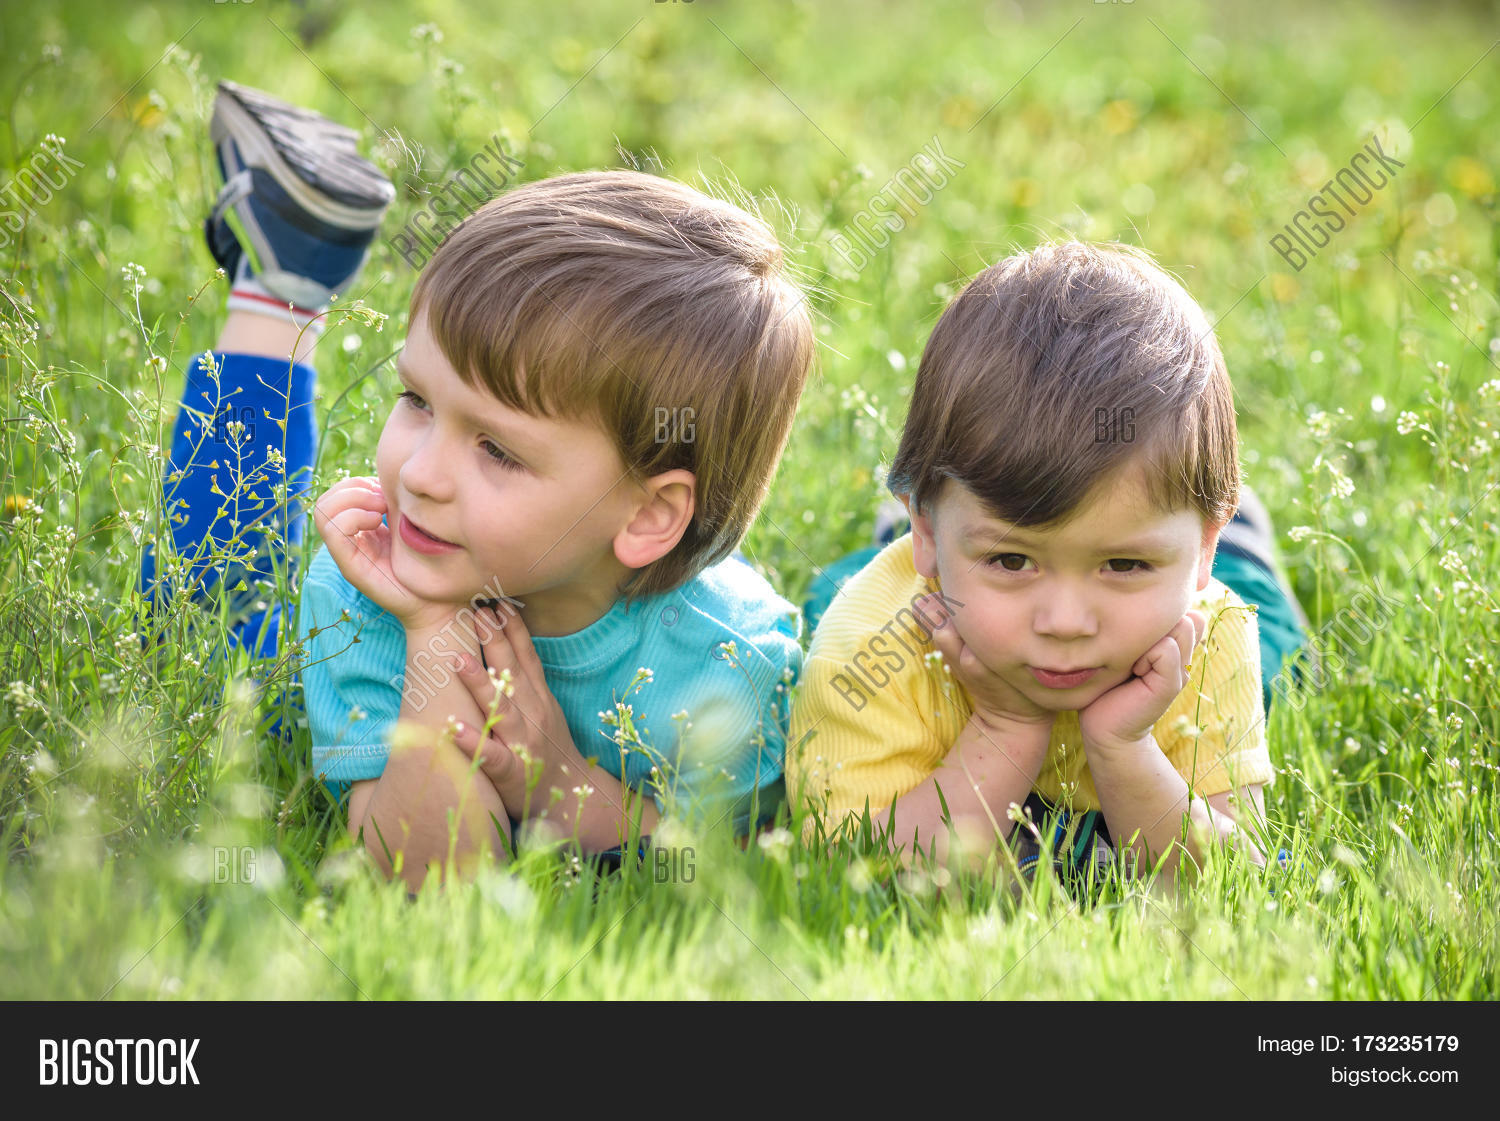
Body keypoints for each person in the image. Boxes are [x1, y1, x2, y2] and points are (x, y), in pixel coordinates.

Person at [139, 81, 814, 893]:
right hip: (308, 674)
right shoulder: (366, 595)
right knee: (210, 627)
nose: (418, 474)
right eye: (417, 401)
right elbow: (431, 878)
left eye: (497, 448)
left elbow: (717, 870)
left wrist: (561, 785)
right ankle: (280, 280)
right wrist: (431, 631)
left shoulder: (727, 665)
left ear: (648, 514)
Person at [786, 241, 1310, 893]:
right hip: (923, 581)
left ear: (1201, 545)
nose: (1065, 622)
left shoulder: (1212, 635)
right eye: (1013, 558)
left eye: (1123, 563)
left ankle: (1239, 535)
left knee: (1281, 648)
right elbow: (849, 868)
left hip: (1191, 575)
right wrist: (1006, 728)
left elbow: (1235, 885)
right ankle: (933, 531)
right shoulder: (869, 649)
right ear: (928, 533)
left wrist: (1126, 749)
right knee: (836, 587)